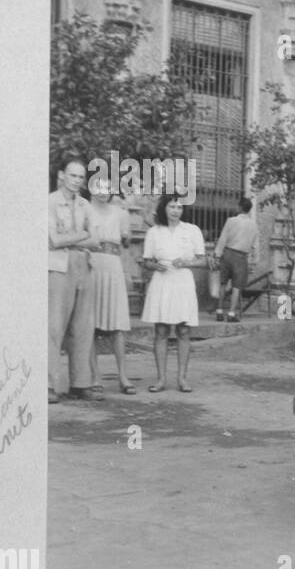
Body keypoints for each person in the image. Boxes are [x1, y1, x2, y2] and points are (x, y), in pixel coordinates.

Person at [141, 194, 206, 393]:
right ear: (165, 208)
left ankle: (182, 379)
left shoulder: (192, 230)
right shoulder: (154, 232)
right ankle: (160, 379)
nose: (176, 210)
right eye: (172, 206)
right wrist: (155, 266)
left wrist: (186, 262)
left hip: (183, 282)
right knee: (161, 330)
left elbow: (202, 260)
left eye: (179, 206)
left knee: (184, 330)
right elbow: (146, 262)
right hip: (162, 282)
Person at [48, 155, 100, 404]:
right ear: (62, 175)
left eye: (81, 177)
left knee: (83, 326)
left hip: (84, 265)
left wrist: (71, 236)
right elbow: (53, 241)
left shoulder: (85, 205)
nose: (77, 181)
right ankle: (48, 385)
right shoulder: (49, 202)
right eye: (72, 175)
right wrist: (82, 235)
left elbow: (96, 240)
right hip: (59, 266)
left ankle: (81, 383)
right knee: (54, 327)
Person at [87, 177, 136, 394]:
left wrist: (126, 237)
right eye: (98, 188)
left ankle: (123, 376)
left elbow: (126, 244)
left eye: (107, 188)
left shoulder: (120, 213)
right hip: (91, 266)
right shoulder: (84, 209)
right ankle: (95, 376)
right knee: (90, 324)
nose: (103, 192)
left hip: (114, 267)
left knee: (118, 324)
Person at [213, 196, 259, 322]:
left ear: (239, 207)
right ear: (249, 210)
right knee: (236, 287)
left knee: (222, 283)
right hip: (241, 257)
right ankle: (232, 313)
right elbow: (255, 245)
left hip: (227, 253)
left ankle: (219, 310)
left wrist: (217, 255)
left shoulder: (231, 220)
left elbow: (223, 238)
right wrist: (254, 261)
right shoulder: (253, 225)